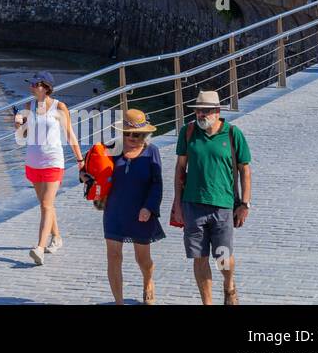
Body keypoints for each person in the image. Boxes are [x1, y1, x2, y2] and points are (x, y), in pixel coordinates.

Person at [171, 91, 252, 305]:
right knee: (199, 257)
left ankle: (229, 285)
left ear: (217, 112)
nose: (201, 114)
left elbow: (245, 170)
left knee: (223, 257)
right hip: (193, 205)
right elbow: (180, 168)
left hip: (223, 205)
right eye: (198, 110)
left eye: (205, 111)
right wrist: (177, 203)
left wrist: (244, 203)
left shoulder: (233, 134)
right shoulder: (188, 132)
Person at [14, 72, 83, 265]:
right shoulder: (29, 106)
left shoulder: (59, 107)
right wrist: (18, 123)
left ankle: (39, 248)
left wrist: (80, 159)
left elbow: (70, 134)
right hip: (33, 162)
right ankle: (57, 238)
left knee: (46, 205)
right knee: (46, 205)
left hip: (53, 161)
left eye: (35, 84)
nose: (31, 87)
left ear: (45, 87)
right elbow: (22, 136)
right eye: (31, 84)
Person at [102, 110, 164, 304]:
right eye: (126, 133)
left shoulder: (151, 151)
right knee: (113, 256)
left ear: (144, 134)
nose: (130, 137)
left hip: (141, 213)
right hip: (114, 211)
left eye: (136, 134)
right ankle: (119, 301)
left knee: (143, 259)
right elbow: (91, 169)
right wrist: (86, 177)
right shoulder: (111, 148)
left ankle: (148, 282)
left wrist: (149, 207)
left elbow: (157, 183)